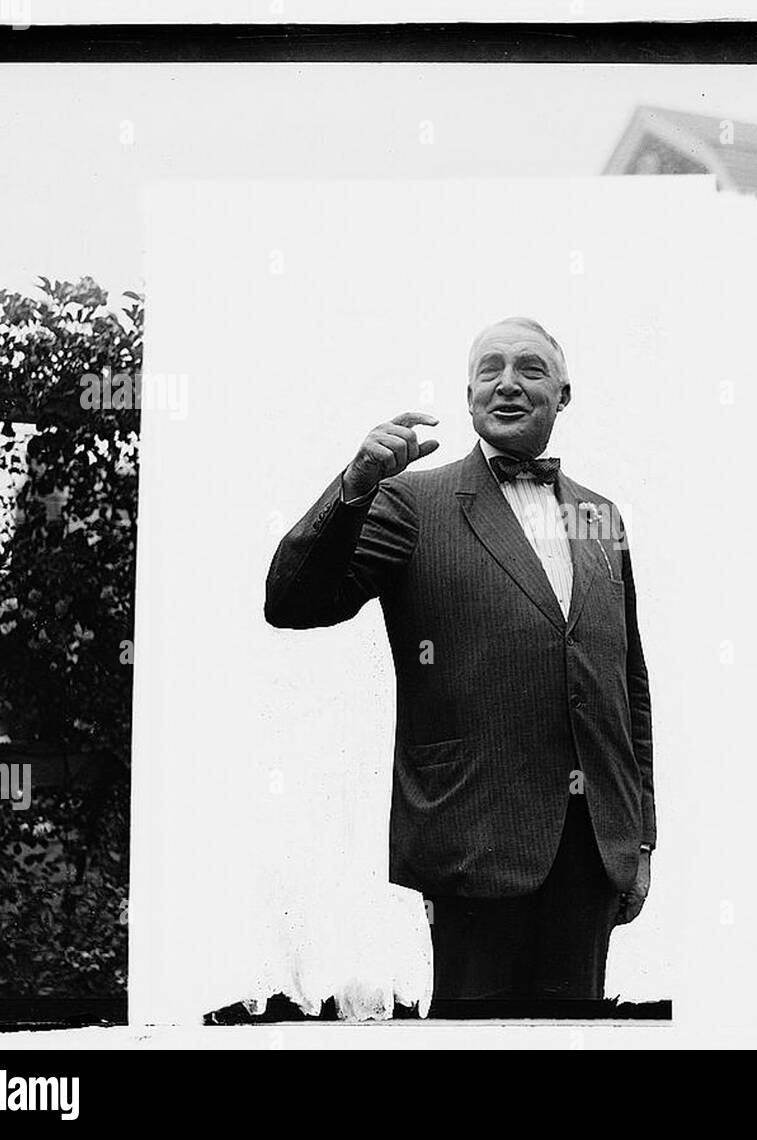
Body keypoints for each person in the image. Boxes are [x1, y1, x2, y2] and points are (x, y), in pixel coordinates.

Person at [264, 317, 655, 1011]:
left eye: (530, 369)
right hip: (473, 838)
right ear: (470, 393)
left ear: (563, 396)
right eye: (490, 368)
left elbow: (630, 688)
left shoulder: (601, 517)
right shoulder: (412, 501)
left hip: (593, 848)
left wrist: (640, 840)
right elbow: (293, 602)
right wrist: (353, 485)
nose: (508, 382)